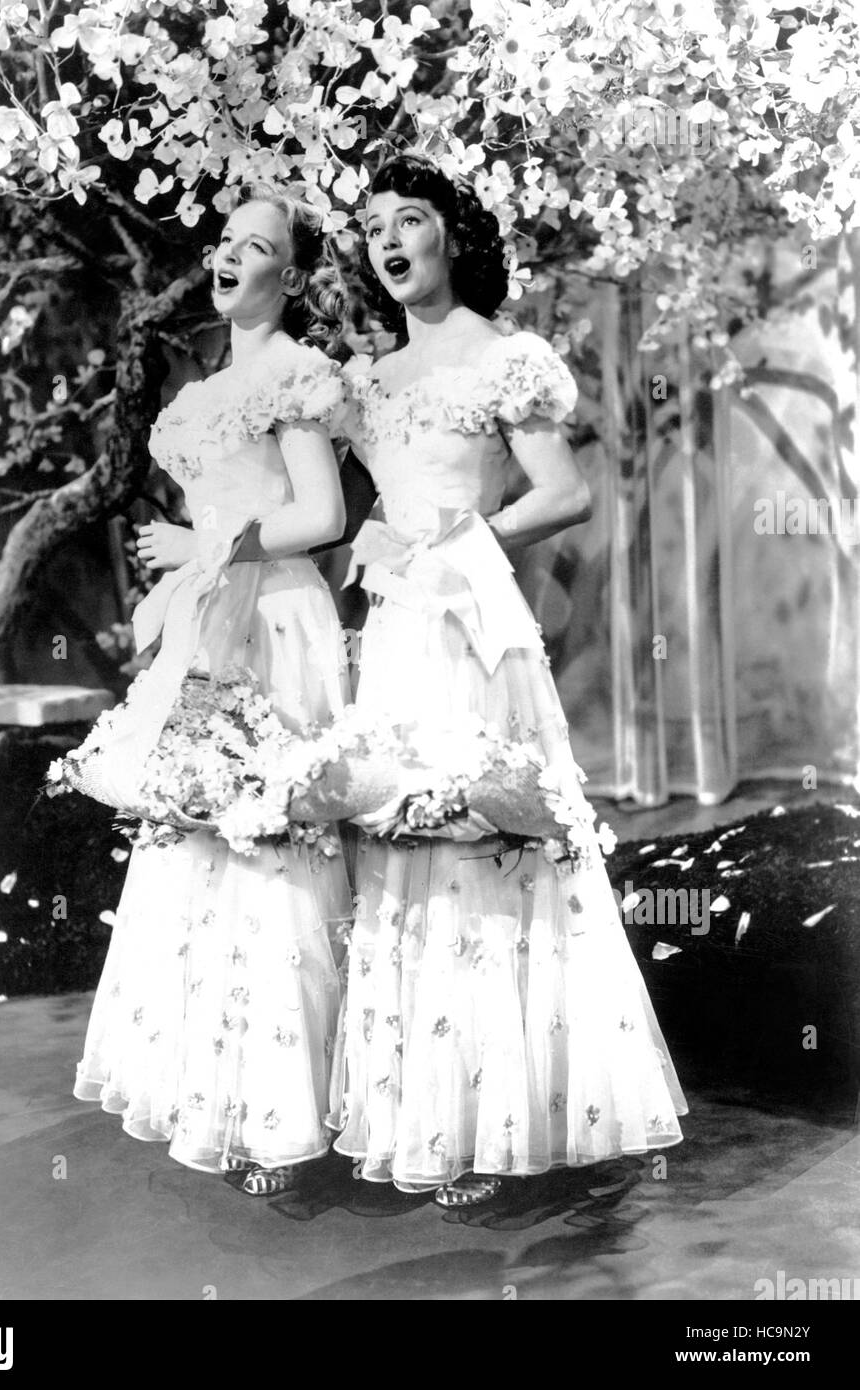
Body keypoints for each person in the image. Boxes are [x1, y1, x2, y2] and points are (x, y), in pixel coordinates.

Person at [328, 153, 688, 1205]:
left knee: (480, 848)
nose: (388, 240)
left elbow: (565, 491)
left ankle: (503, 1125)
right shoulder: (370, 381)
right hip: (394, 635)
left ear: (453, 235)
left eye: (410, 219)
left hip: (475, 633)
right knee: (400, 850)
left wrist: (457, 540)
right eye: (372, 224)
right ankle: (423, 1117)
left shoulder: (507, 357)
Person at [70, 183, 354, 1196]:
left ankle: (287, 1107)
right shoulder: (197, 390)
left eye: (257, 245)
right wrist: (193, 569)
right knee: (196, 833)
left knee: (267, 841)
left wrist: (209, 543)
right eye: (224, 242)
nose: (230, 257)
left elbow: (321, 516)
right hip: (207, 616)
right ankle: (219, 1095)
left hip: (276, 617)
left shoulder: (297, 377)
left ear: (292, 272)